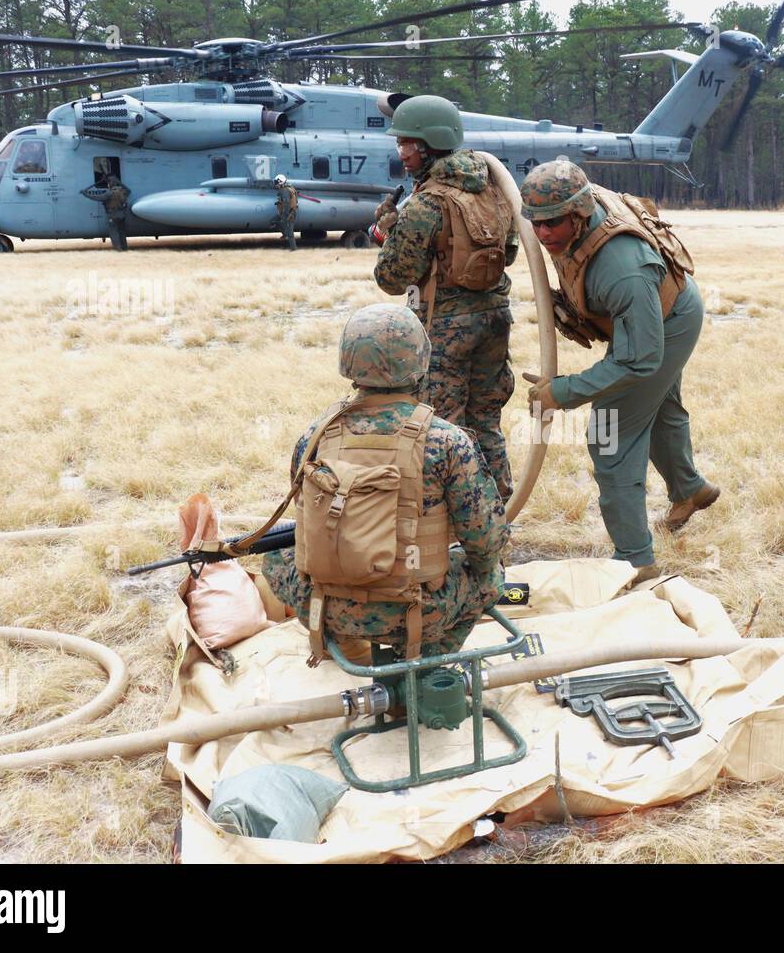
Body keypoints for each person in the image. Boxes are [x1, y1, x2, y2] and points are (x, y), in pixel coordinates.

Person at [261, 303, 508, 662]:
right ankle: (430, 662)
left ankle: (342, 645)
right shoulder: (447, 441)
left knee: (273, 559)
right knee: (490, 577)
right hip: (419, 612)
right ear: (420, 360)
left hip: (327, 606)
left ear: (348, 361)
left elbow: (307, 524)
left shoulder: (315, 435)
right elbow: (486, 543)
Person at [518, 161, 719, 580]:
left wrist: (564, 391)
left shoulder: (622, 267)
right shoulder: (572, 200)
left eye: (553, 223)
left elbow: (639, 359)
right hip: (657, 312)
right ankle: (690, 490)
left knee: (610, 432)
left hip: (665, 324)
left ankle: (635, 560)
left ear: (578, 214)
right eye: (535, 222)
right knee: (659, 411)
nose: (542, 234)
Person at [373, 94, 518, 501]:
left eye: (406, 143)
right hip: (495, 321)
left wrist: (387, 235)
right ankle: (497, 510)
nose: (400, 151)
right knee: (485, 420)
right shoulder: (492, 188)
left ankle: (455, 524)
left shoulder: (426, 203)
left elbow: (391, 278)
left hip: (444, 329)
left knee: (443, 429)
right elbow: (507, 254)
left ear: (427, 144)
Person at [80, 173, 131, 251]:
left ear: (110, 184)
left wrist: (85, 194)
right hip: (122, 214)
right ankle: (124, 248)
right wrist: (119, 182)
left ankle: (118, 249)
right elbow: (129, 190)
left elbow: (96, 198)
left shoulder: (109, 193)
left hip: (112, 215)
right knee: (122, 232)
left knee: (114, 232)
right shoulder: (123, 191)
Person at [274, 174, 298, 251]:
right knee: (275, 221)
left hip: (289, 213)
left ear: (281, 182)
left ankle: (293, 248)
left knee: (290, 232)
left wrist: (286, 215)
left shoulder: (284, 190)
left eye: (277, 183)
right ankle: (285, 233)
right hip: (291, 212)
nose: (276, 185)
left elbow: (286, 203)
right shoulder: (290, 188)